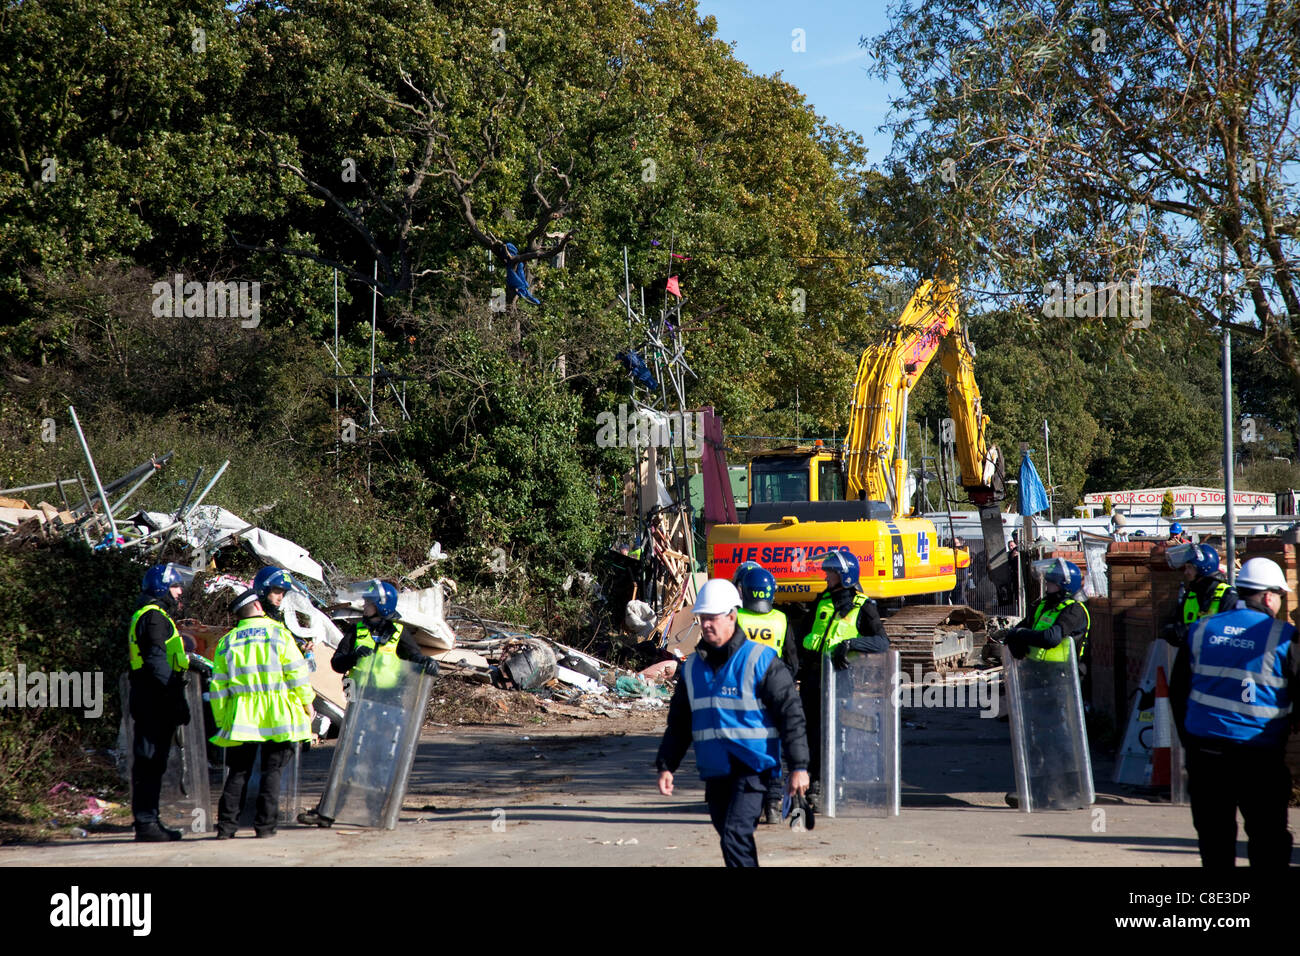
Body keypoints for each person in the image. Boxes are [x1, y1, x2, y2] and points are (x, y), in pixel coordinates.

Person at [655, 578, 810, 867]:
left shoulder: (761, 660)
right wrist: (667, 765)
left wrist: (799, 767)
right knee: (730, 836)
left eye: (713, 618)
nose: (707, 625)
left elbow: (791, 716)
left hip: (753, 769)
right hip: (715, 770)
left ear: (732, 616)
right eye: (703, 618)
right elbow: (679, 723)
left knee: (735, 835)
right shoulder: (692, 668)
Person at [1178, 557, 1298, 868]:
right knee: (1268, 838)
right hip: (1260, 757)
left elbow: (1179, 693)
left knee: (1214, 838)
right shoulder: (1284, 637)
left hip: (1205, 754)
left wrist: (1190, 740)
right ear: (1269, 596)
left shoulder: (1200, 630)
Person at [298, 579, 439, 827]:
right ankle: (328, 810)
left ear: (382, 606)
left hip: (389, 706)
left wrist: (427, 663)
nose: (364, 605)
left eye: (370, 602)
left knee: (379, 759)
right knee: (347, 757)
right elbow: (336, 663)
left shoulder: (399, 633)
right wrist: (353, 656)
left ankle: (373, 811)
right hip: (359, 702)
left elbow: (416, 658)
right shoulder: (355, 631)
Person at [209, 589, 314, 838]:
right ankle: (265, 827)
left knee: (238, 772)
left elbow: (218, 687)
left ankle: (226, 828)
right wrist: (307, 702)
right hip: (277, 715)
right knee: (272, 771)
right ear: (258, 605)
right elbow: (296, 673)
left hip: (241, 716)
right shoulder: (279, 634)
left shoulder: (227, 641)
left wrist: (223, 720)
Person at [797, 550, 889, 806]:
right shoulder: (820, 602)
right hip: (813, 679)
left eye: (830, 573)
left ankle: (835, 783)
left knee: (837, 734)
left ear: (844, 575)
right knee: (810, 734)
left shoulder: (864, 606)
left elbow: (882, 642)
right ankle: (814, 784)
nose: (826, 577)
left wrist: (851, 643)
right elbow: (803, 633)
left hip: (841, 680)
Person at [127, 563, 193, 841]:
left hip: (152, 696)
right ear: (161, 587)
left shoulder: (154, 615)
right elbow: (157, 660)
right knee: (150, 761)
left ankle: (149, 820)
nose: (179, 592)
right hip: (155, 698)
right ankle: (146, 823)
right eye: (176, 586)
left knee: (153, 762)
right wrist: (173, 698)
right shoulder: (154, 617)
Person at [735, 565, 799, 824]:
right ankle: (773, 804)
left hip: (742, 692)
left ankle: (746, 799)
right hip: (775, 692)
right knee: (773, 748)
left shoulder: (736, 617)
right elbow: (793, 661)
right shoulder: (781, 620)